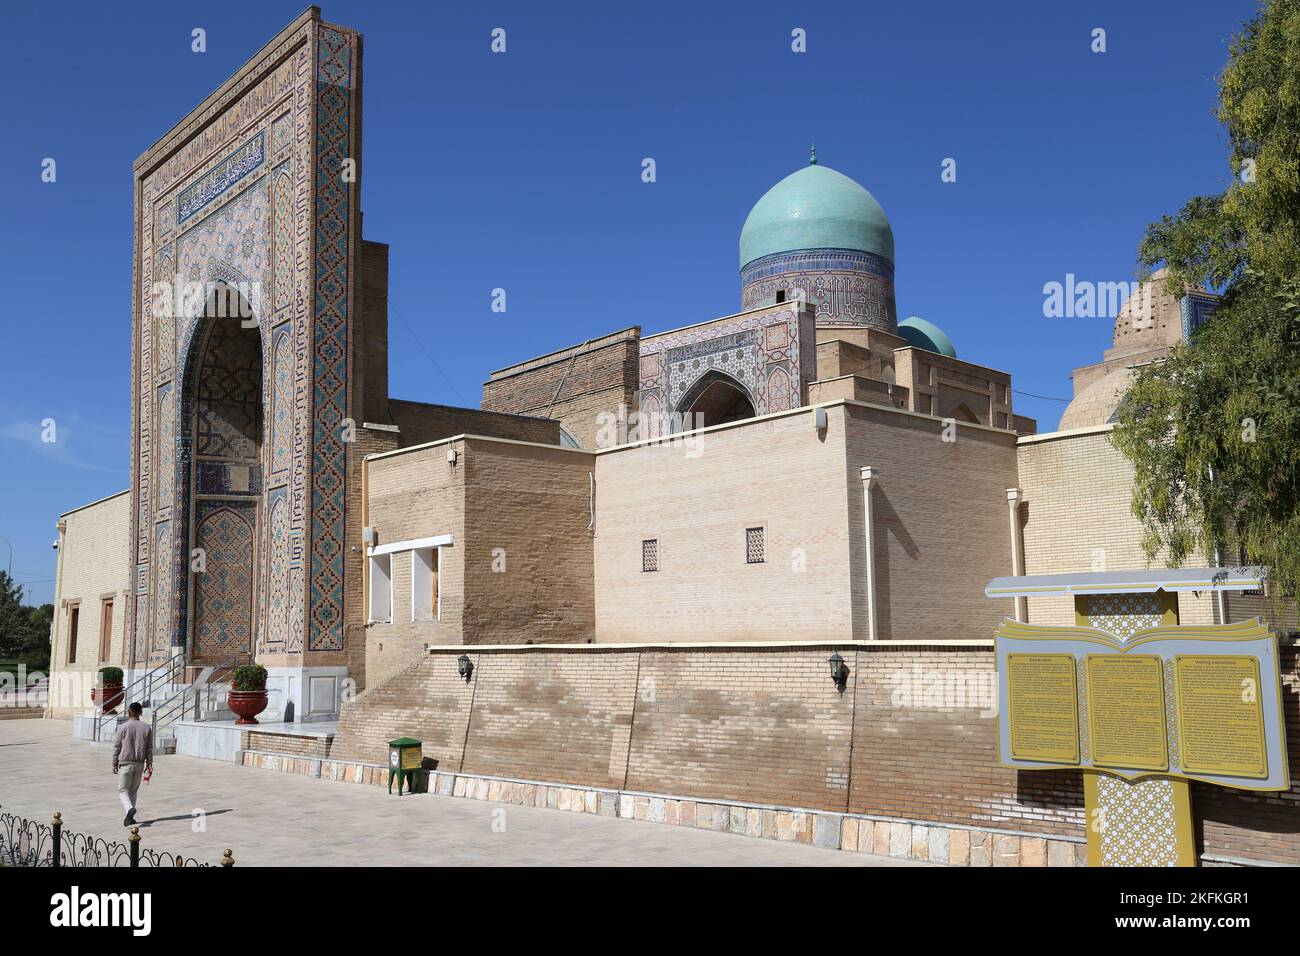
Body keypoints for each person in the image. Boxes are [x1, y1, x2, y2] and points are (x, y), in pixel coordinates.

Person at [111, 702, 153, 826]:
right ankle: (129, 818)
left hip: (125, 763)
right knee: (133, 790)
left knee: (123, 790)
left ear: (129, 711)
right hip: (139, 764)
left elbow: (117, 747)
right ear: (140, 713)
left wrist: (114, 764)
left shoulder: (122, 727)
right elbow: (149, 748)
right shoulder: (147, 728)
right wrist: (149, 764)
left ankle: (129, 809)